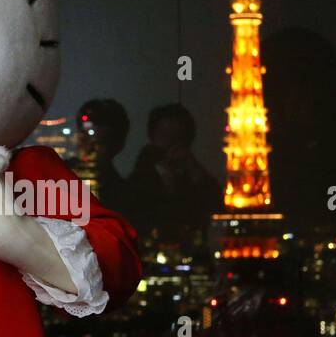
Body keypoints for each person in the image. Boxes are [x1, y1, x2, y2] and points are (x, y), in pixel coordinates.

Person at [127, 103, 223, 244]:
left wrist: (194, 171)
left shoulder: (194, 173)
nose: (171, 142)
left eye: (178, 137)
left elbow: (216, 207)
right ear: (153, 137)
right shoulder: (141, 175)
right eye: (165, 135)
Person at [70, 98, 134, 216]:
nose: (91, 148)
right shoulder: (55, 176)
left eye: (100, 142)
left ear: (116, 144)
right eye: (84, 138)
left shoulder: (124, 196)